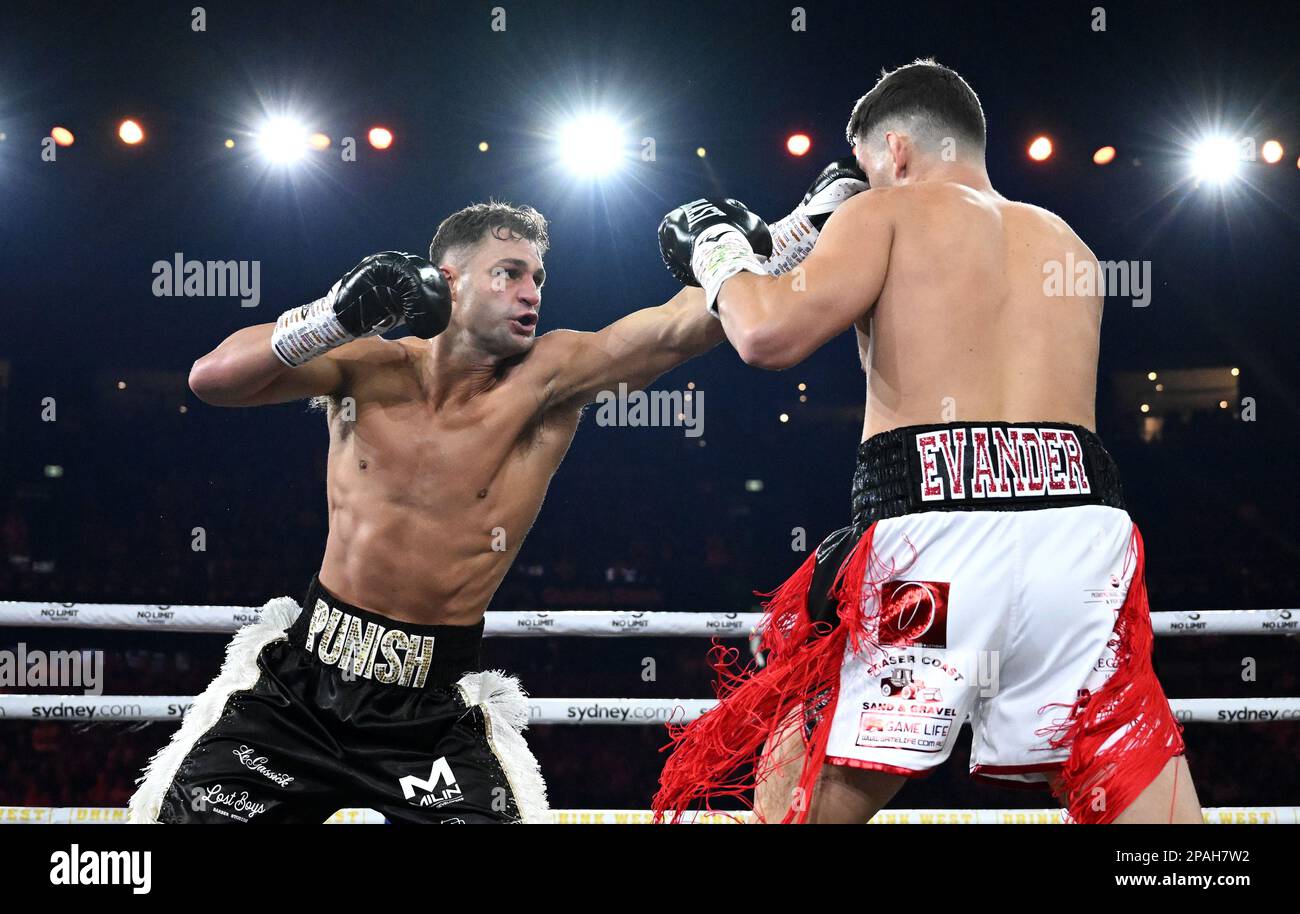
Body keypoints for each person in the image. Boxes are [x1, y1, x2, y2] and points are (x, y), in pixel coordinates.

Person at [652, 60, 1200, 824]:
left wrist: (716, 250)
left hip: (933, 540)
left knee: (803, 736)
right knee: (1144, 793)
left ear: (897, 150)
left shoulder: (888, 213)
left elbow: (767, 333)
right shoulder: (1068, 244)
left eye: (872, 168)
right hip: (1082, 540)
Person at [129, 201, 720, 823]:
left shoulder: (547, 380)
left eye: (538, 279)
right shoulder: (370, 365)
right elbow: (212, 379)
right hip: (297, 693)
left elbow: (676, 325)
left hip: (431, 716)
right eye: (510, 273)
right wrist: (332, 316)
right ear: (449, 278)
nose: (531, 292)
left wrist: (786, 232)